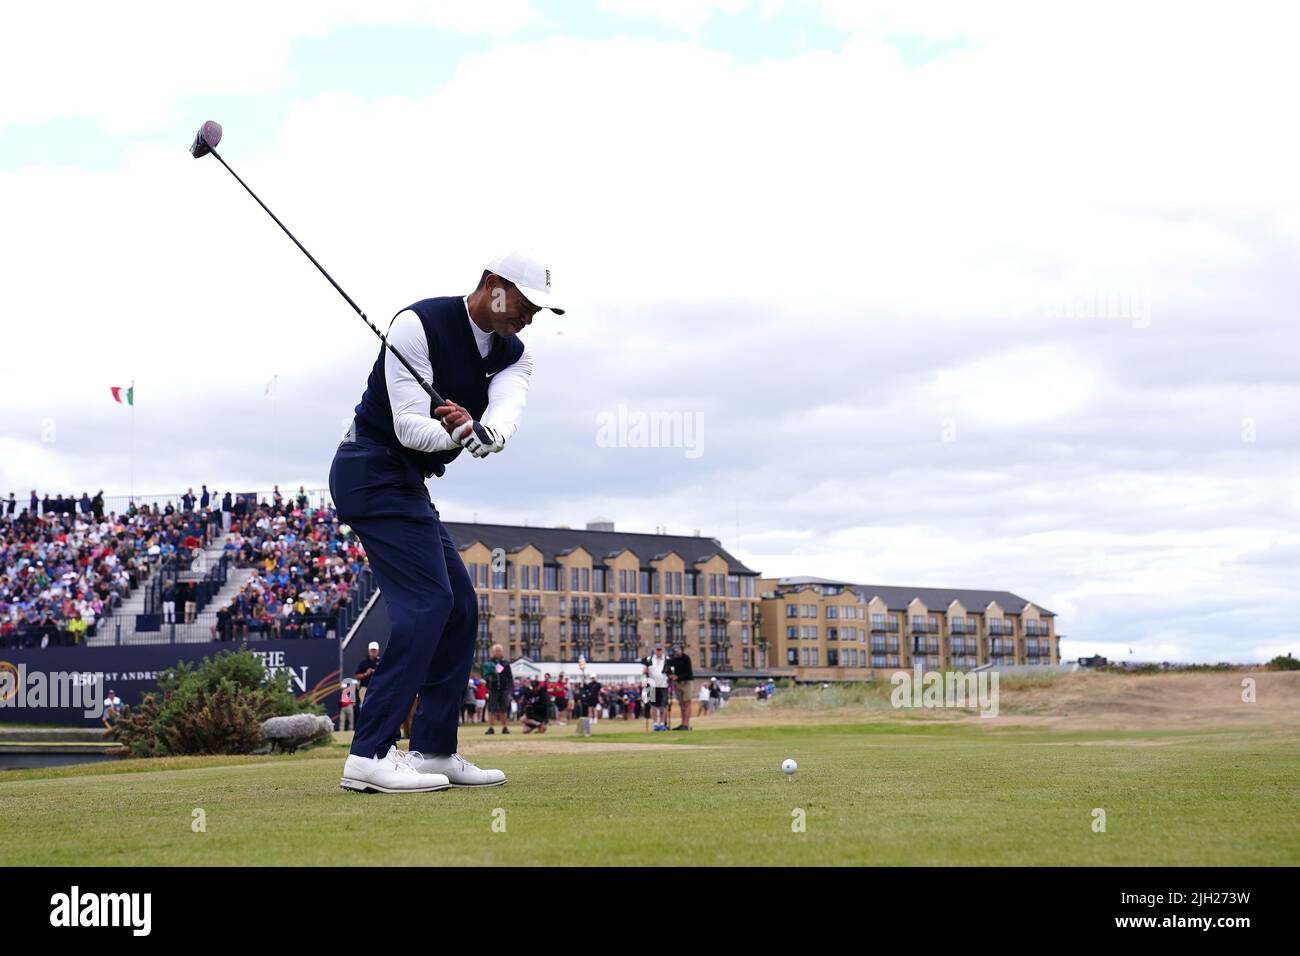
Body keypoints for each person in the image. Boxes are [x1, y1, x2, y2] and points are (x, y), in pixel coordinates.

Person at [332, 251, 561, 793]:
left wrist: (486, 433)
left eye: (537, 310)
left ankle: (433, 751)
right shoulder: (416, 325)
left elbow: (506, 409)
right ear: (492, 284)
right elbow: (411, 427)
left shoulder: (514, 354)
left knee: (459, 607)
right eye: (524, 303)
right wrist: (460, 435)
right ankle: (368, 755)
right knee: (429, 603)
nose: (527, 316)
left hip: (407, 483)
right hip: (369, 468)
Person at [484, 644, 513, 734]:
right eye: (496, 650)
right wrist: (488, 680)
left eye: (499, 650)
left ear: (502, 652)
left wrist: (509, 690)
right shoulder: (489, 663)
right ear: (493, 652)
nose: (498, 652)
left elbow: (510, 677)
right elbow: (485, 675)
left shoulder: (505, 663)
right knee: (491, 709)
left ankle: (505, 728)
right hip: (493, 689)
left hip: (504, 689)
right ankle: (491, 728)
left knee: (503, 709)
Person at [667, 644, 695, 730]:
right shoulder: (672, 659)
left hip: (687, 682)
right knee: (681, 704)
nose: (677, 653)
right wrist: (670, 675)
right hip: (677, 683)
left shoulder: (686, 658)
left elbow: (689, 673)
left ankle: (686, 724)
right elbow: (668, 669)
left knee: (687, 703)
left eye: (678, 650)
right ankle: (682, 723)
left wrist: (678, 677)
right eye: (675, 651)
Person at [641, 645, 669, 730]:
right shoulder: (649, 659)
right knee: (653, 705)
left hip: (663, 685)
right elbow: (644, 672)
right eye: (657, 650)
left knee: (663, 706)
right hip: (652, 684)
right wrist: (644, 681)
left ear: (662, 650)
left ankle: (662, 723)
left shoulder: (666, 660)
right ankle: (655, 723)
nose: (659, 651)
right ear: (655, 650)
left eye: (660, 650)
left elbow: (670, 671)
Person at [355, 641, 382, 706]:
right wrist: (366, 674)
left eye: (375, 650)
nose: (373, 652)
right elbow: (356, 676)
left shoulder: (381, 662)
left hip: (377, 688)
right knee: (364, 705)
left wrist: (376, 672)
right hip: (365, 688)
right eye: (372, 650)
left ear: (378, 651)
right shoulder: (363, 663)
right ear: (369, 650)